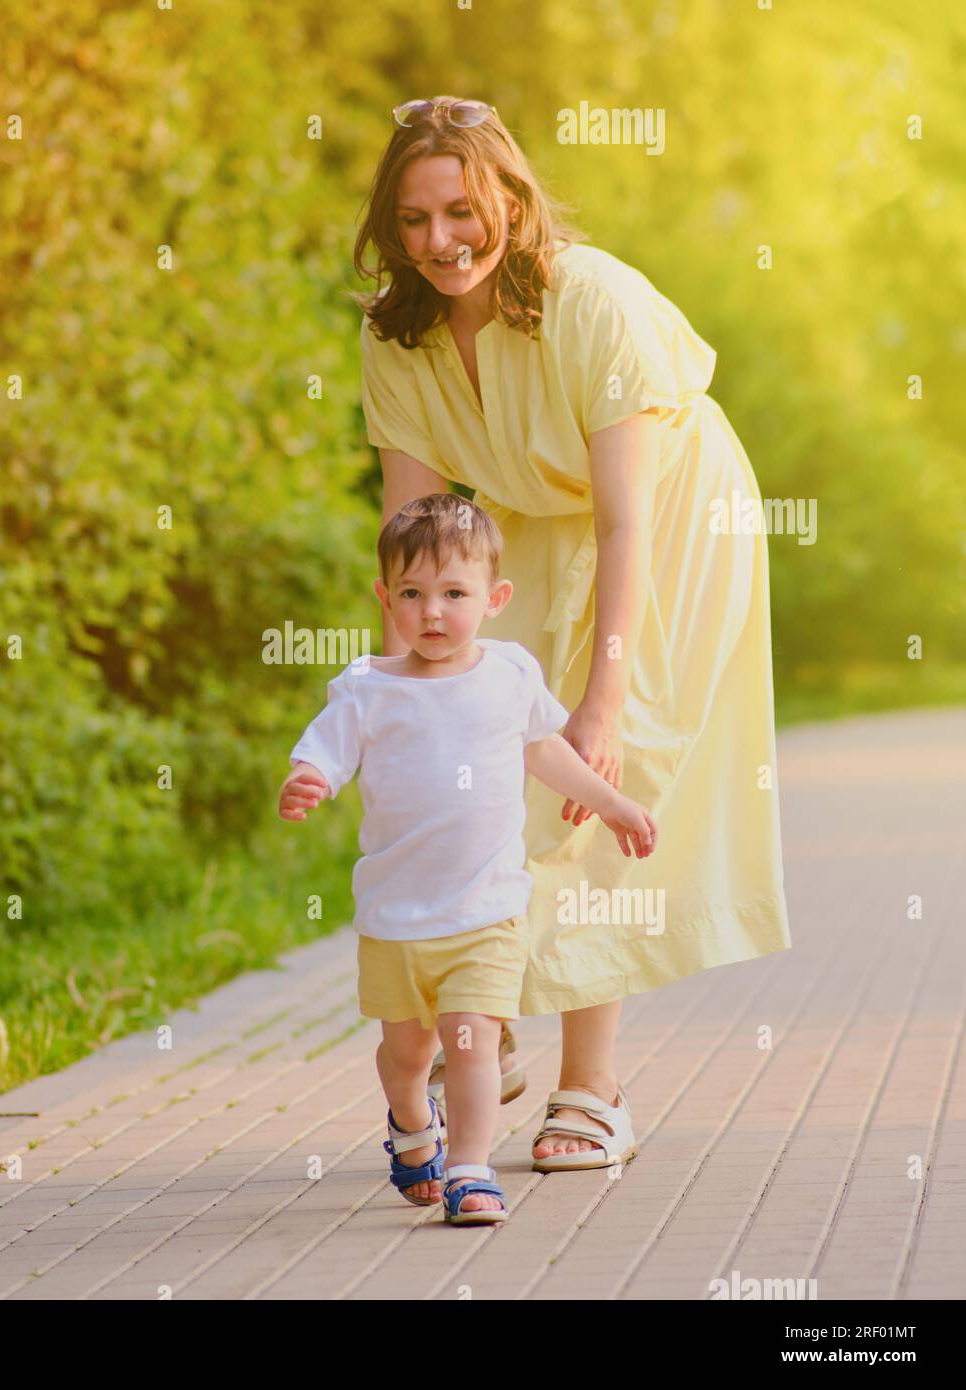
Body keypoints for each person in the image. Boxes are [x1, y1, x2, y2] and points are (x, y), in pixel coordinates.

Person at [352, 95, 792, 1171]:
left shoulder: (584, 298)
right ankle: (483, 1010)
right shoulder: (392, 333)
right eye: (413, 220)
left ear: (509, 196)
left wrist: (600, 697)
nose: (440, 241)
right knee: (484, 750)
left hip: (670, 516)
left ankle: (589, 1091)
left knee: (592, 762)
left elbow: (625, 516)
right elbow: (416, 534)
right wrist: (413, 688)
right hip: (530, 515)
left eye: (462, 210)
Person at [278, 494, 657, 1223]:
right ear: (386, 599)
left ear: (493, 599)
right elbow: (323, 749)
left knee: (473, 1042)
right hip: (396, 918)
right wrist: (310, 779)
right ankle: (412, 1122)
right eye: (413, 594)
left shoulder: (509, 674)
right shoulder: (366, 688)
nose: (432, 612)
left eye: (454, 594)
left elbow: (545, 748)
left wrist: (611, 803)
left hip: (485, 911)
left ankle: (470, 1170)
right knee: (408, 1055)